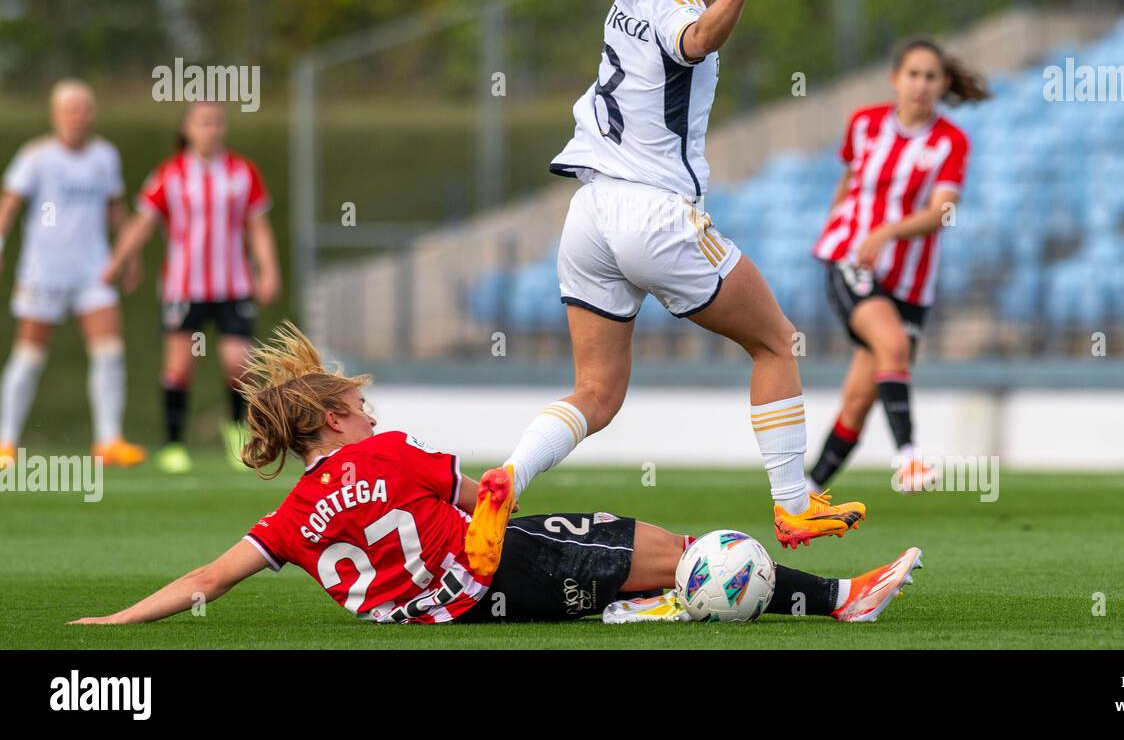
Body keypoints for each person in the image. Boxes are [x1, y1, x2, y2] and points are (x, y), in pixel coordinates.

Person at [471, 0, 865, 555]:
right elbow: (696, 36)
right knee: (774, 340)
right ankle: (793, 504)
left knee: (596, 391)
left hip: (589, 214)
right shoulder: (685, 11)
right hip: (655, 215)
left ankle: (505, 478)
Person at [70, 322, 922, 627]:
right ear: (334, 419)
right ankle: (841, 598)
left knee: (649, 543)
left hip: (451, 600)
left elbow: (208, 579)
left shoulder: (295, 513)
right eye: (358, 404)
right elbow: (485, 495)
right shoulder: (387, 450)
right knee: (693, 555)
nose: (370, 410)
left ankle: (640, 604)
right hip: (492, 568)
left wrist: (118, 616)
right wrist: (520, 470)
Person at [807, 39, 987, 493]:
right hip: (852, 259)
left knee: (858, 400)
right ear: (895, 78)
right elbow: (848, 181)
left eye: (931, 77)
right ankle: (908, 458)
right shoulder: (864, 124)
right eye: (913, 74)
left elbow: (942, 212)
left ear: (944, 84)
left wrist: (889, 232)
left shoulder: (950, 141)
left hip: (910, 282)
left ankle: (806, 494)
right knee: (892, 345)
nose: (921, 85)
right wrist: (841, 229)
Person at [103, 100, 280, 474]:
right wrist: (116, 262)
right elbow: (142, 224)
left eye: (217, 122)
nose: (211, 129)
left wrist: (269, 270)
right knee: (181, 365)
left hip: (233, 286)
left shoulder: (243, 173)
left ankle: (236, 429)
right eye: (203, 122)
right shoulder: (170, 175)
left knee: (239, 363)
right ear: (188, 128)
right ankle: (173, 445)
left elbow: (258, 226)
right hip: (184, 288)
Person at [0, 79, 146, 468]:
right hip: (43, 273)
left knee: (109, 350)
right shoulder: (36, 156)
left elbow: (116, 209)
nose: (78, 116)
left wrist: (129, 256)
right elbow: (9, 206)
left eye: (84, 109)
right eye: (70, 109)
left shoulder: (105, 156)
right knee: (29, 355)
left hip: (92, 273)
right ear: (56, 114)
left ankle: (108, 440)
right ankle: (5, 442)